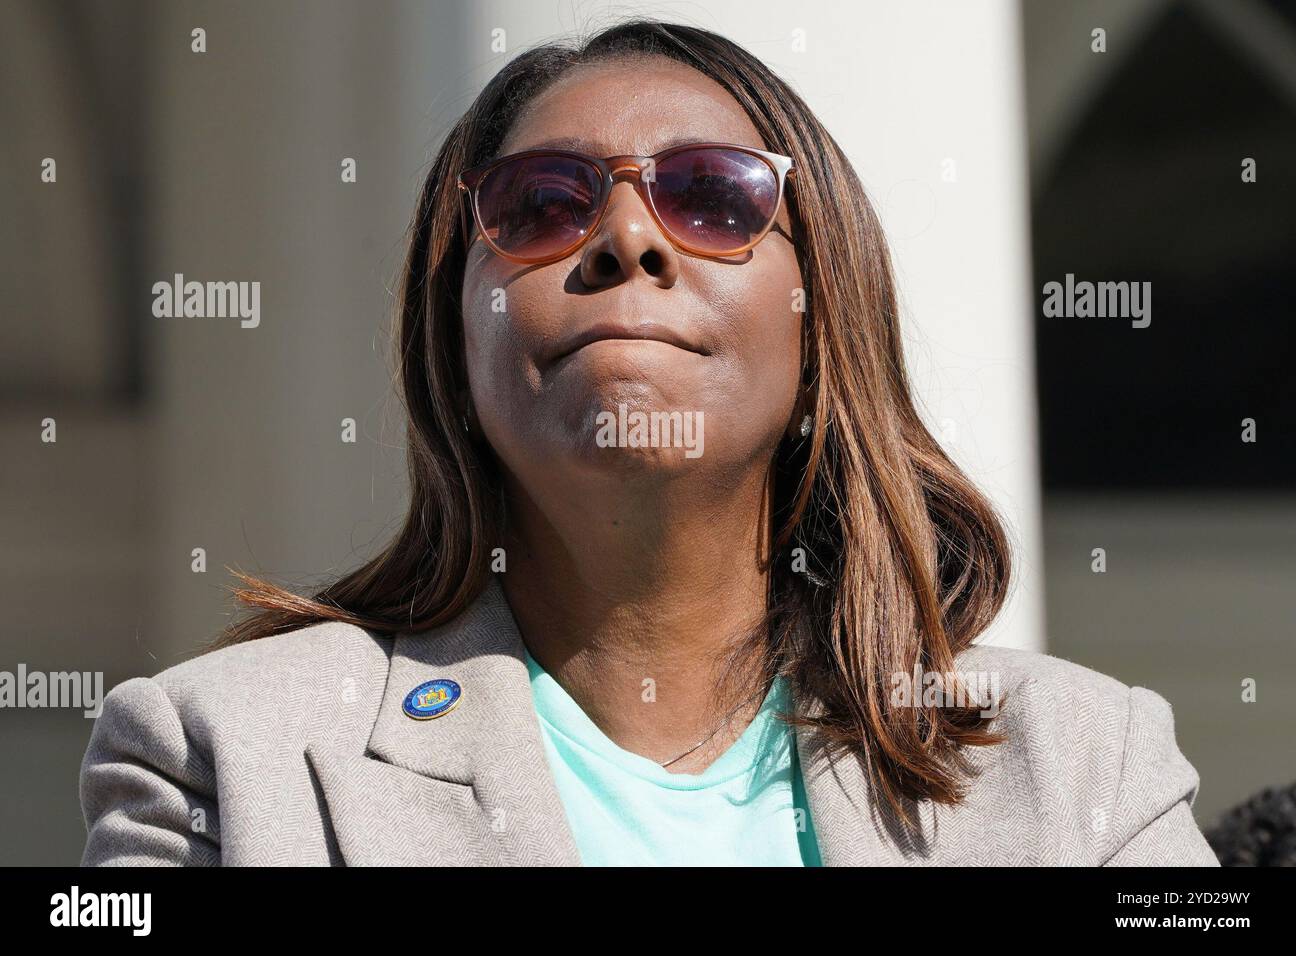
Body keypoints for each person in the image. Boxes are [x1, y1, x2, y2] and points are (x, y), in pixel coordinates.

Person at [79, 18, 1218, 866]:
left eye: (713, 198)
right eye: (538, 205)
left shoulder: (1087, 769)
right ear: (455, 339)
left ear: (823, 321)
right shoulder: (221, 753)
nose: (627, 236)